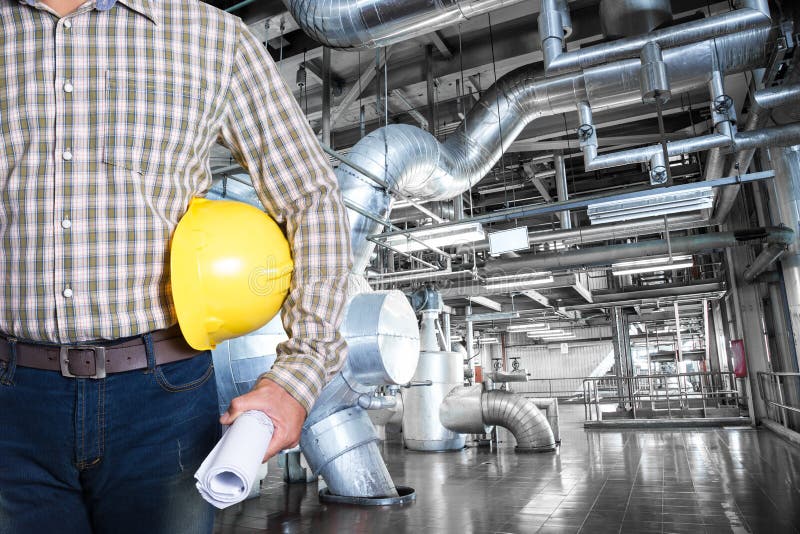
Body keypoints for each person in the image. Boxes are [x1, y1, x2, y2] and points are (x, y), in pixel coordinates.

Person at [0, 0, 352, 532]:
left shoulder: (212, 37)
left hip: (162, 400)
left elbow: (311, 195)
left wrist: (299, 374)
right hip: (10, 408)